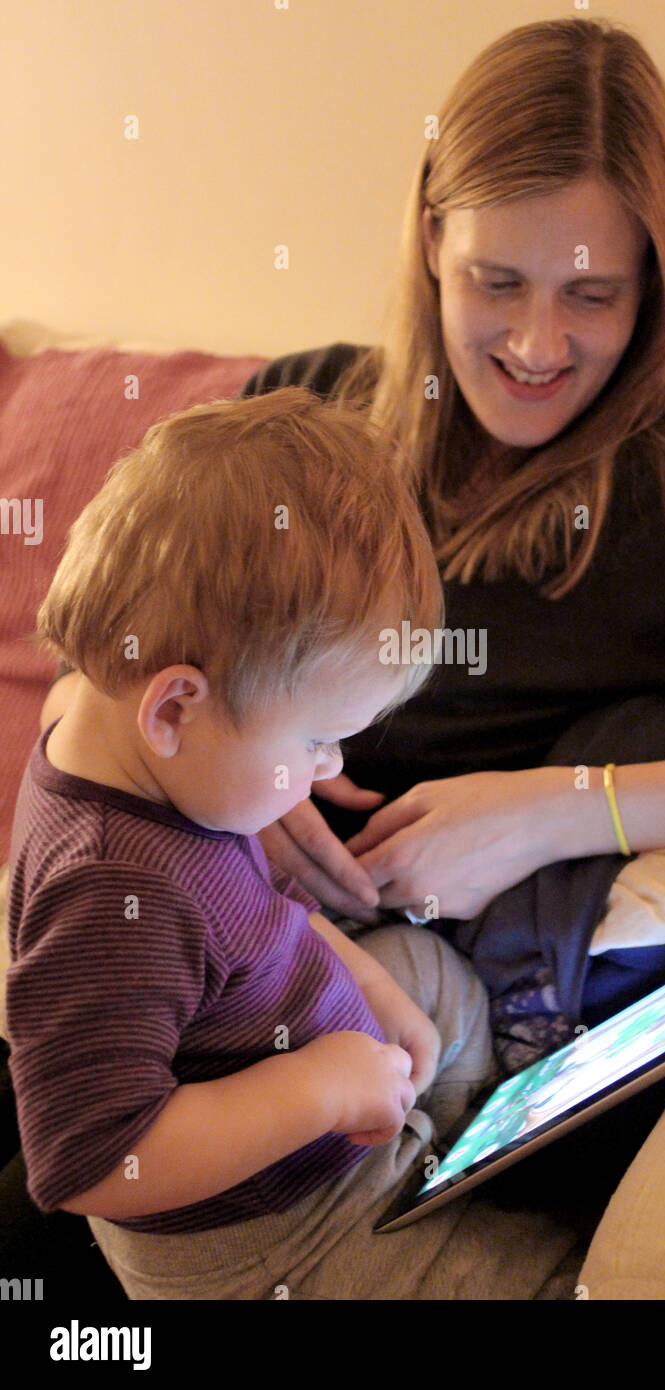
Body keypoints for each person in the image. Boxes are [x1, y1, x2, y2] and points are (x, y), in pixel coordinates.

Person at [222, 17, 665, 1074]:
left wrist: (556, 813)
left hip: (396, 1048)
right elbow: (95, 679)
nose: (534, 346)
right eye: (496, 282)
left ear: (649, 283)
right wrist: (241, 779)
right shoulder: (296, 415)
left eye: (589, 296)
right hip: (196, 947)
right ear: (430, 237)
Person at [7, 386, 592, 1300]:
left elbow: (257, 916)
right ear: (173, 708)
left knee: (431, 981)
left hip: (312, 1077)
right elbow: (92, 1160)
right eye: (317, 741)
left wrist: (366, 988)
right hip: (271, 1236)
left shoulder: (151, 762)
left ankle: (461, 1140)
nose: (332, 767)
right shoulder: (106, 891)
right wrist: (318, 1089)